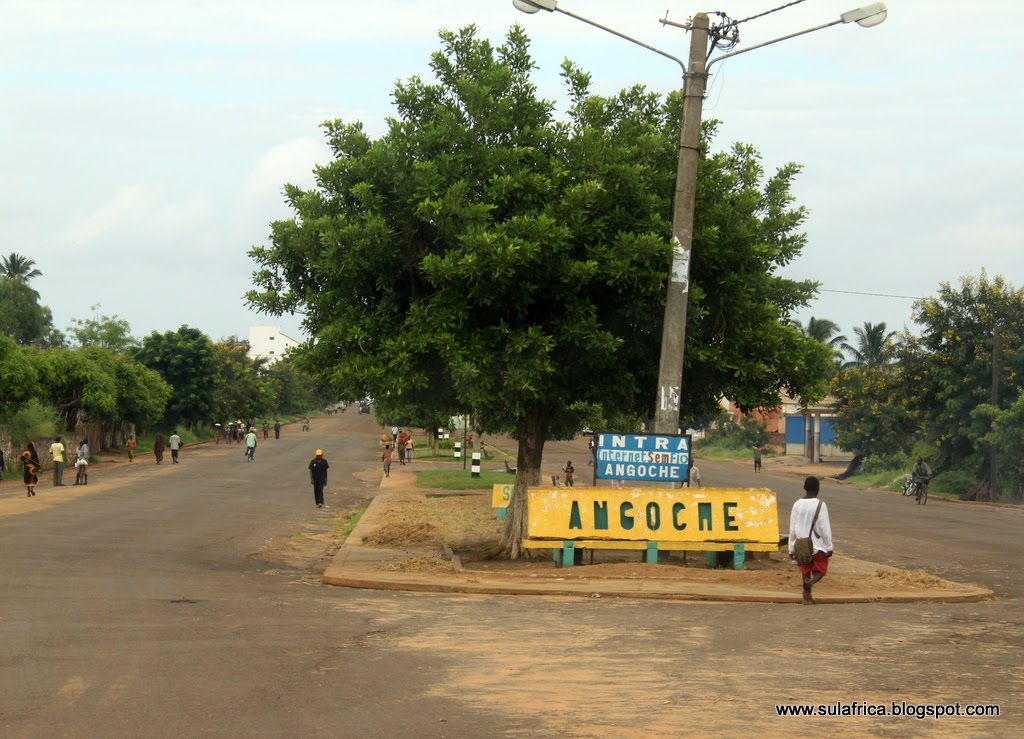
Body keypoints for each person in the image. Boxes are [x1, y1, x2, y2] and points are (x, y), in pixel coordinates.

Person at [788, 476, 833, 605]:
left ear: (804, 488)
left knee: (805, 570)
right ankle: (811, 583)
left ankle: (806, 597)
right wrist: (829, 546)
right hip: (818, 545)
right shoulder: (821, 505)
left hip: (801, 544)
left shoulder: (797, 504)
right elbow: (824, 528)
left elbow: (792, 528)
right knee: (821, 570)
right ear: (818, 488)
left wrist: (791, 548)